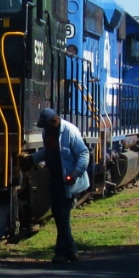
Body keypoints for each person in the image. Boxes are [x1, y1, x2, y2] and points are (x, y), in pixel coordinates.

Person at [25, 108, 90, 263]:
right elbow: (48, 151)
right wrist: (32, 158)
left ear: (54, 121)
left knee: (62, 214)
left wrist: (75, 174)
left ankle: (62, 252)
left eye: (47, 125)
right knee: (59, 214)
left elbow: (84, 153)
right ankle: (71, 251)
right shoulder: (48, 132)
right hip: (54, 178)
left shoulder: (70, 131)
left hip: (67, 181)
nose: (45, 129)